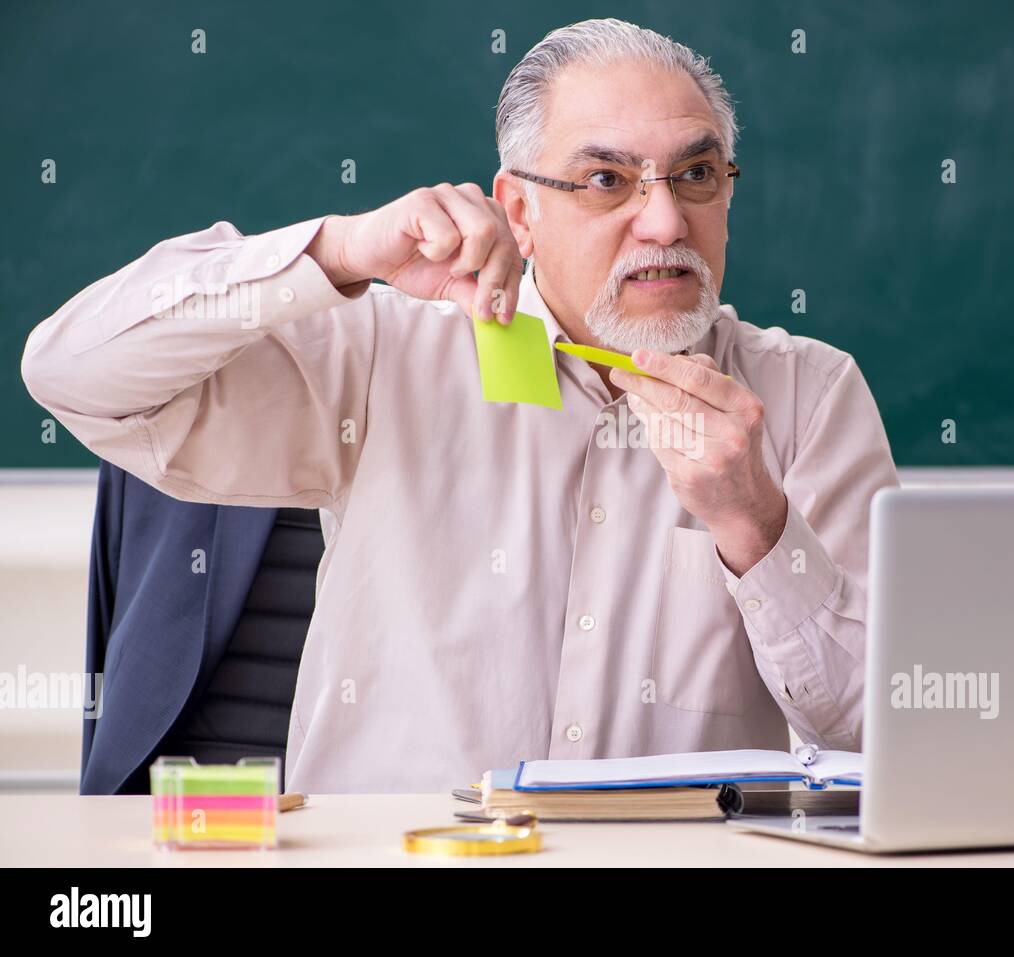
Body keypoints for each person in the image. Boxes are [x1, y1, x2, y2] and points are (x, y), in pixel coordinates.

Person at [22, 18, 897, 793]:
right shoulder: (389, 350)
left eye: (695, 174)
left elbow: (879, 737)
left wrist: (758, 527)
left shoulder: (808, 396)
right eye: (606, 180)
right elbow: (70, 371)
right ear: (519, 210)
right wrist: (340, 250)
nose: (664, 221)